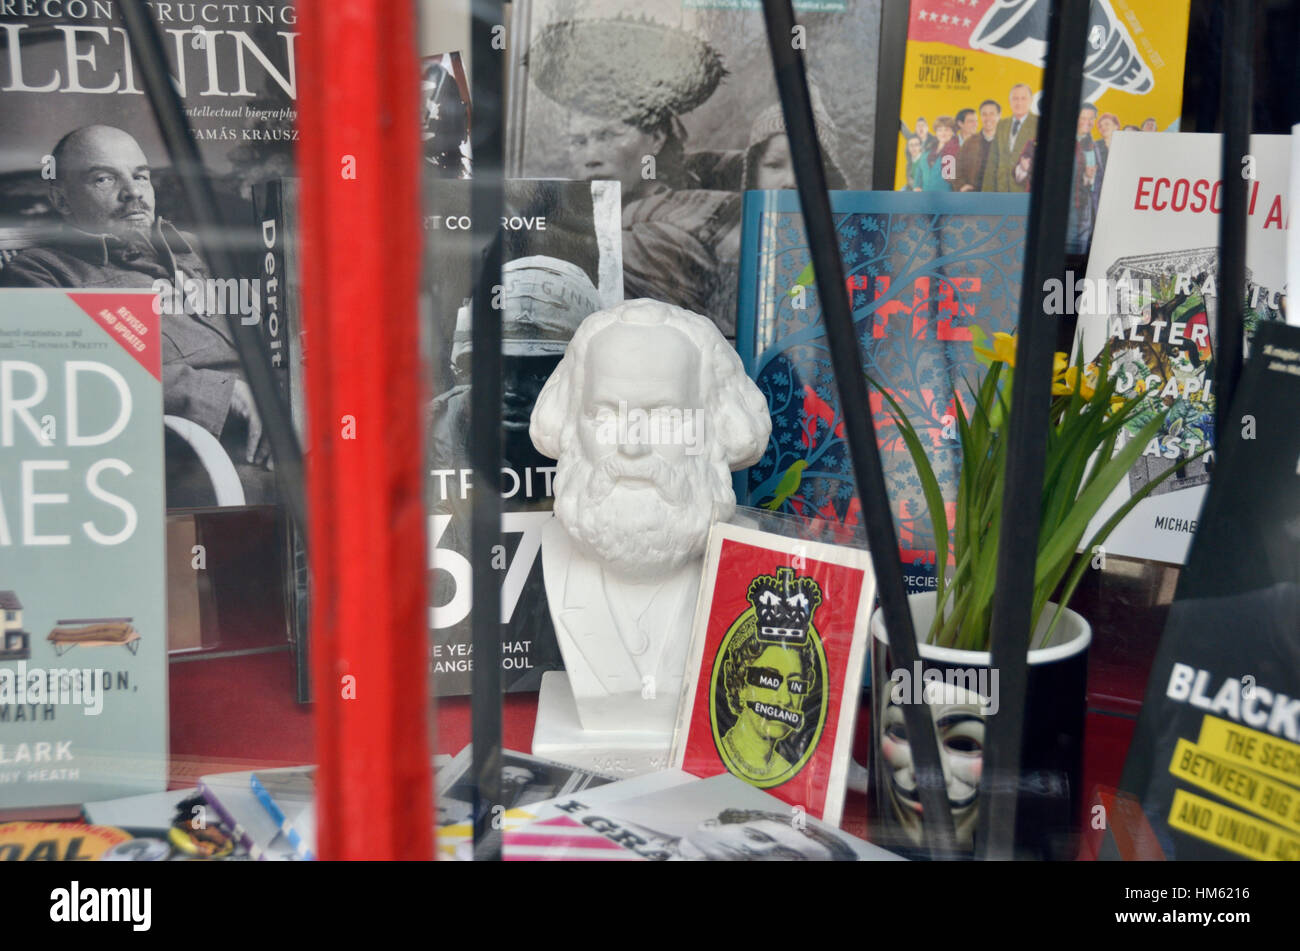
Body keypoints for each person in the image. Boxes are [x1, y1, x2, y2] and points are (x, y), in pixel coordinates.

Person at [530, 299, 770, 736]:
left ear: (715, 428)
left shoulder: (748, 565)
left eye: (666, 417)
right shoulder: (558, 551)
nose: (633, 447)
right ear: (571, 426)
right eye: (604, 414)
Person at [0, 124, 273, 505]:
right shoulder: (41, 273)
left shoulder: (192, 250)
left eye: (140, 176)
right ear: (62, 201)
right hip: (187, 450)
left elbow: (264, 330)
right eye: (104, 178)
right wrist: (231, 396)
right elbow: (84, 377)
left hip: (274, 423)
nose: (133, 192)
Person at [529, 17, 740, 331]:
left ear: (655, 139)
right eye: (579, 142)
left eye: (607, 136)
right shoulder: (556, 222)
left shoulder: (711, 213)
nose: (590, 158)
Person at [717, 586, 821, 785]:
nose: (785, 699)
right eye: (770, 680)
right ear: (740, 686)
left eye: (794, 684)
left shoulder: (786, 771)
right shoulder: (711, 761)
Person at [982, 83, 1038, 193]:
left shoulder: (1039, 124)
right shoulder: (1002, 124)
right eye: (1015, 98)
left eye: (1023, 98)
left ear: (1031, 100)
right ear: (1009, 101)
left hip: (1026, 193)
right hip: (1001, 191)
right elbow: (992, 162)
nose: (1019, 102)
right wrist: (986, 194)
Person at [1067, 103, 1100, 254]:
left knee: (1080, 246)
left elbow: (1096, 182)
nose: (1087, 122)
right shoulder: (1064, 141)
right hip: (1067, 204)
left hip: (1084, 204)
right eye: (1083, 117)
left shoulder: (1093, 146)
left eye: (1091, 118)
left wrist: (1089, 177)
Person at [954, 99, 1000, 192]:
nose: (988, 118)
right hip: (974, 196)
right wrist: (960, 186)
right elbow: (955, 168)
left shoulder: (1006, 142)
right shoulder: (969, 142)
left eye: (992, 114)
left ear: (999, 116)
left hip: (999, 196)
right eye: (984, 114)